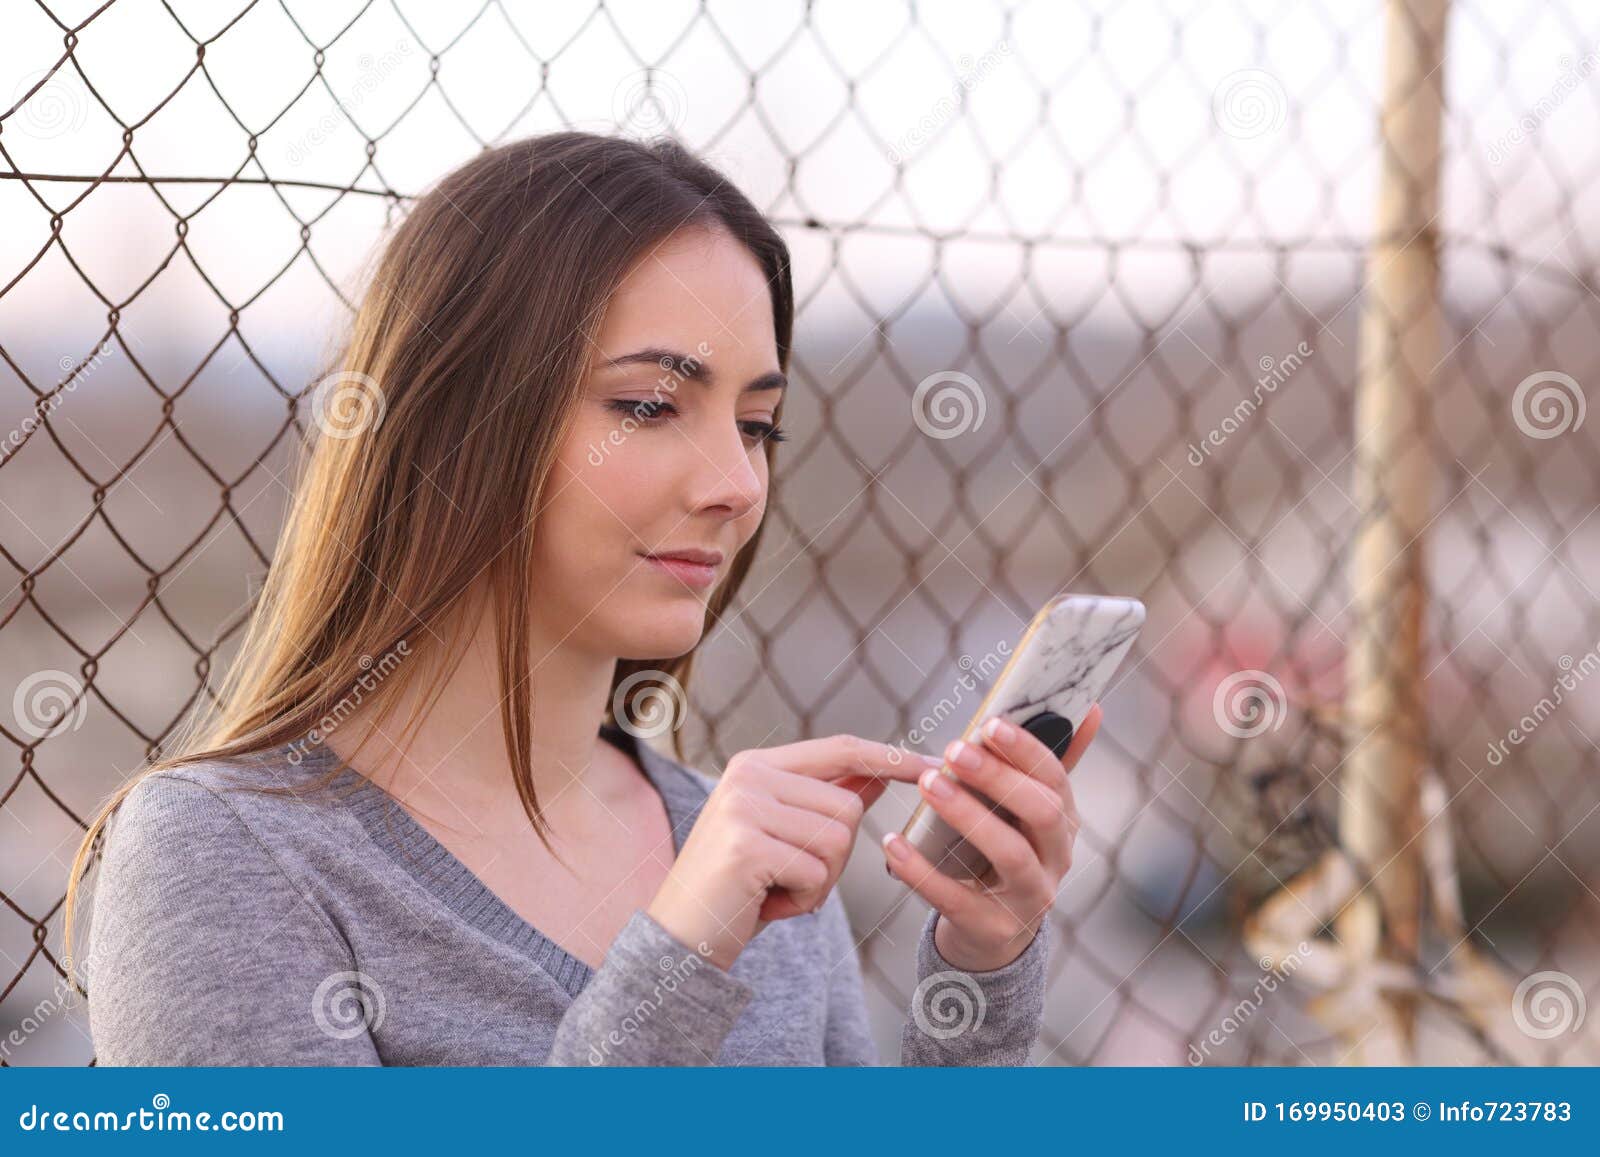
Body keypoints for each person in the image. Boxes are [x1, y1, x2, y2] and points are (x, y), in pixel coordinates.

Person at [64, 131, 1098, 1065]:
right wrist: (681, 951)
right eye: (650, 405)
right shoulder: (225, 855)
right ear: (455, 427)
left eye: (756, 424)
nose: (737, 483)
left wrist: (979, 960)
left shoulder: (751, 850)